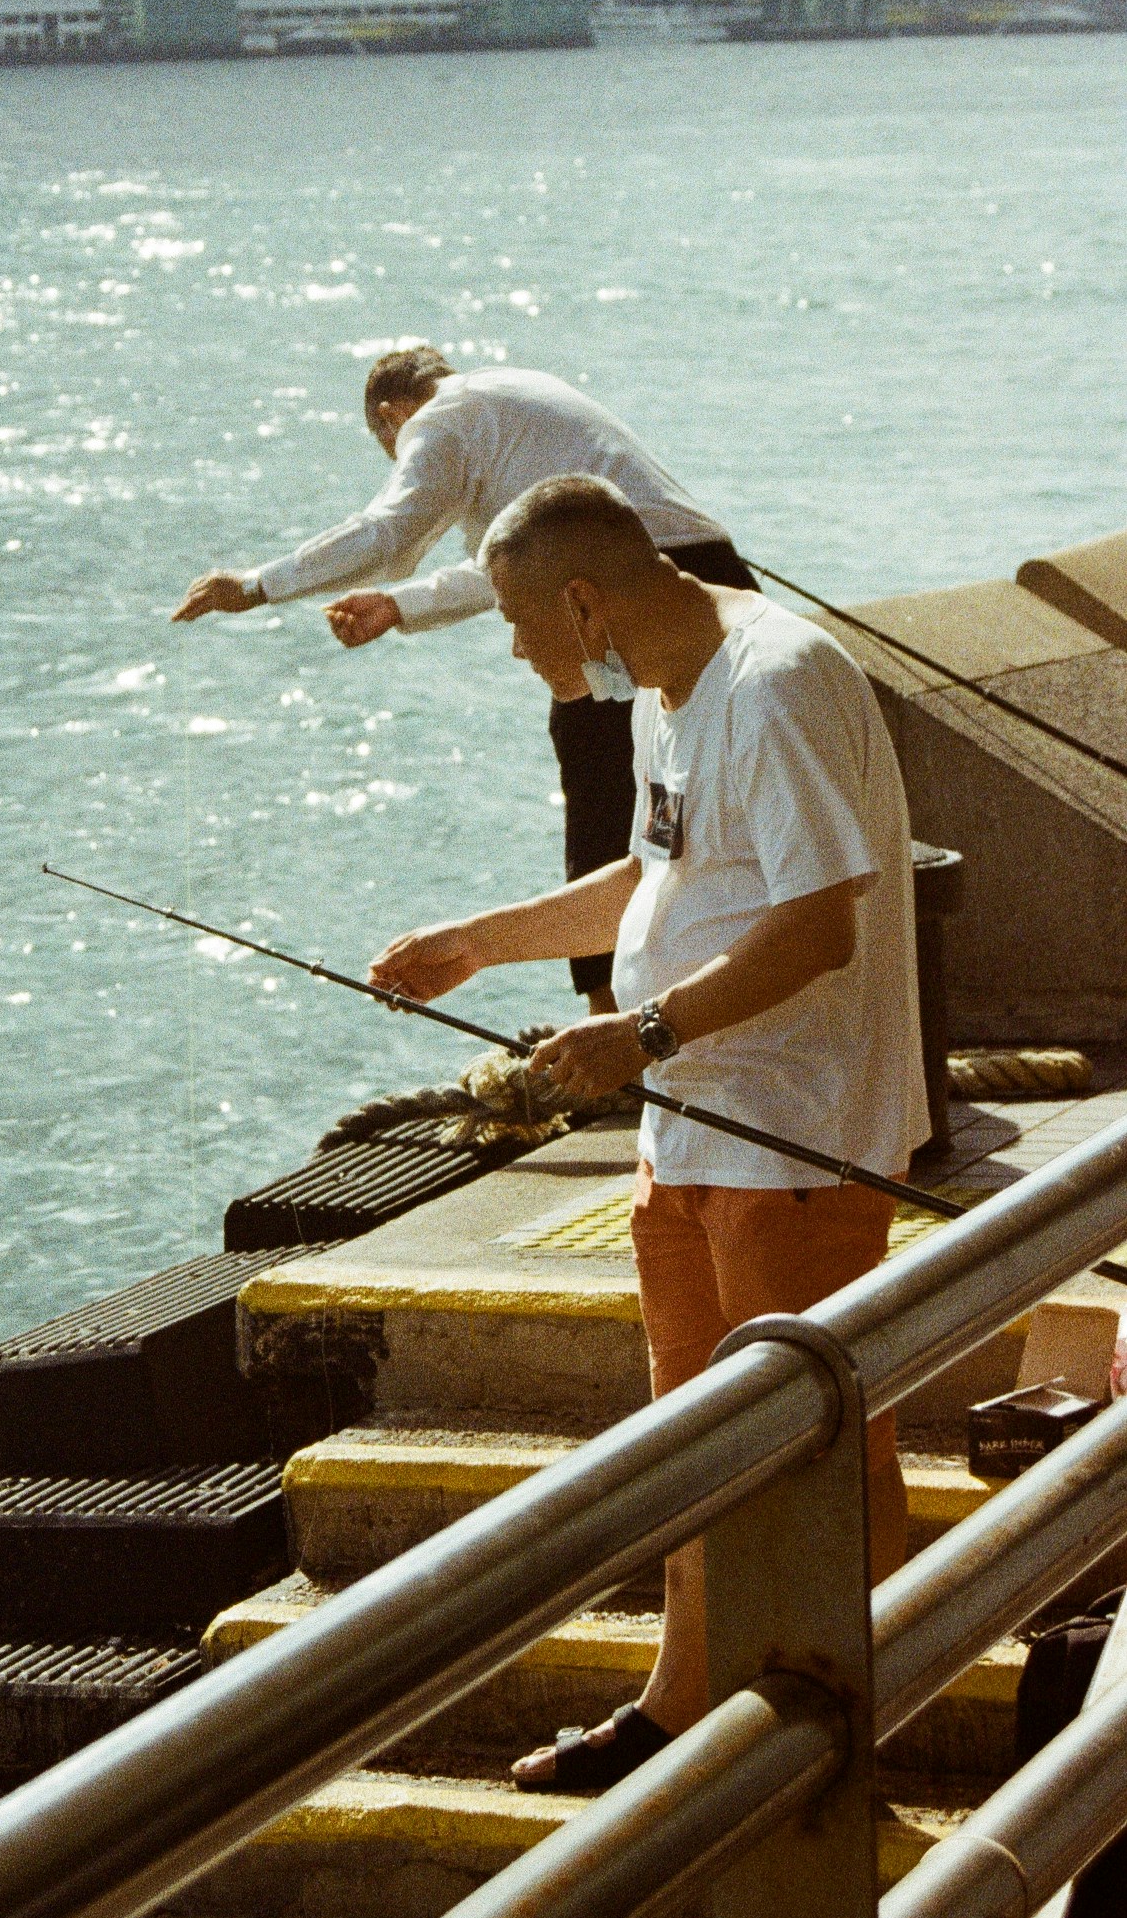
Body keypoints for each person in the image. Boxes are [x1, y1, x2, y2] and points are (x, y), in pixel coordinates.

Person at [367, 474, 927, 1795]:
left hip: (793, 1141)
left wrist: (642, 1036)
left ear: (581, 597)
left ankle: (869, 1705)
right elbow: (650, 875)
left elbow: (815, 920)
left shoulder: (776, 679)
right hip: (687, 1136)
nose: (514, 650)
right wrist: (473, 941)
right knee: (691, 1432)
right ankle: (680, 1705)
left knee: (831, 1444)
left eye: (518, 623)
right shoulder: (660, 696)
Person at [171, 345, 756, 1007]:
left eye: (387, 447)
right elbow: (509, 566)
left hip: (620, 593)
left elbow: (389, 533)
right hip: (708, 577)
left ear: (391, 414)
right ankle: (696, 975)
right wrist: (399, 606)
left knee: (599, 783)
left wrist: (254, 586)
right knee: (704, 785)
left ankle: (610, 1014)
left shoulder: (437, 418)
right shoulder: (516, 394)